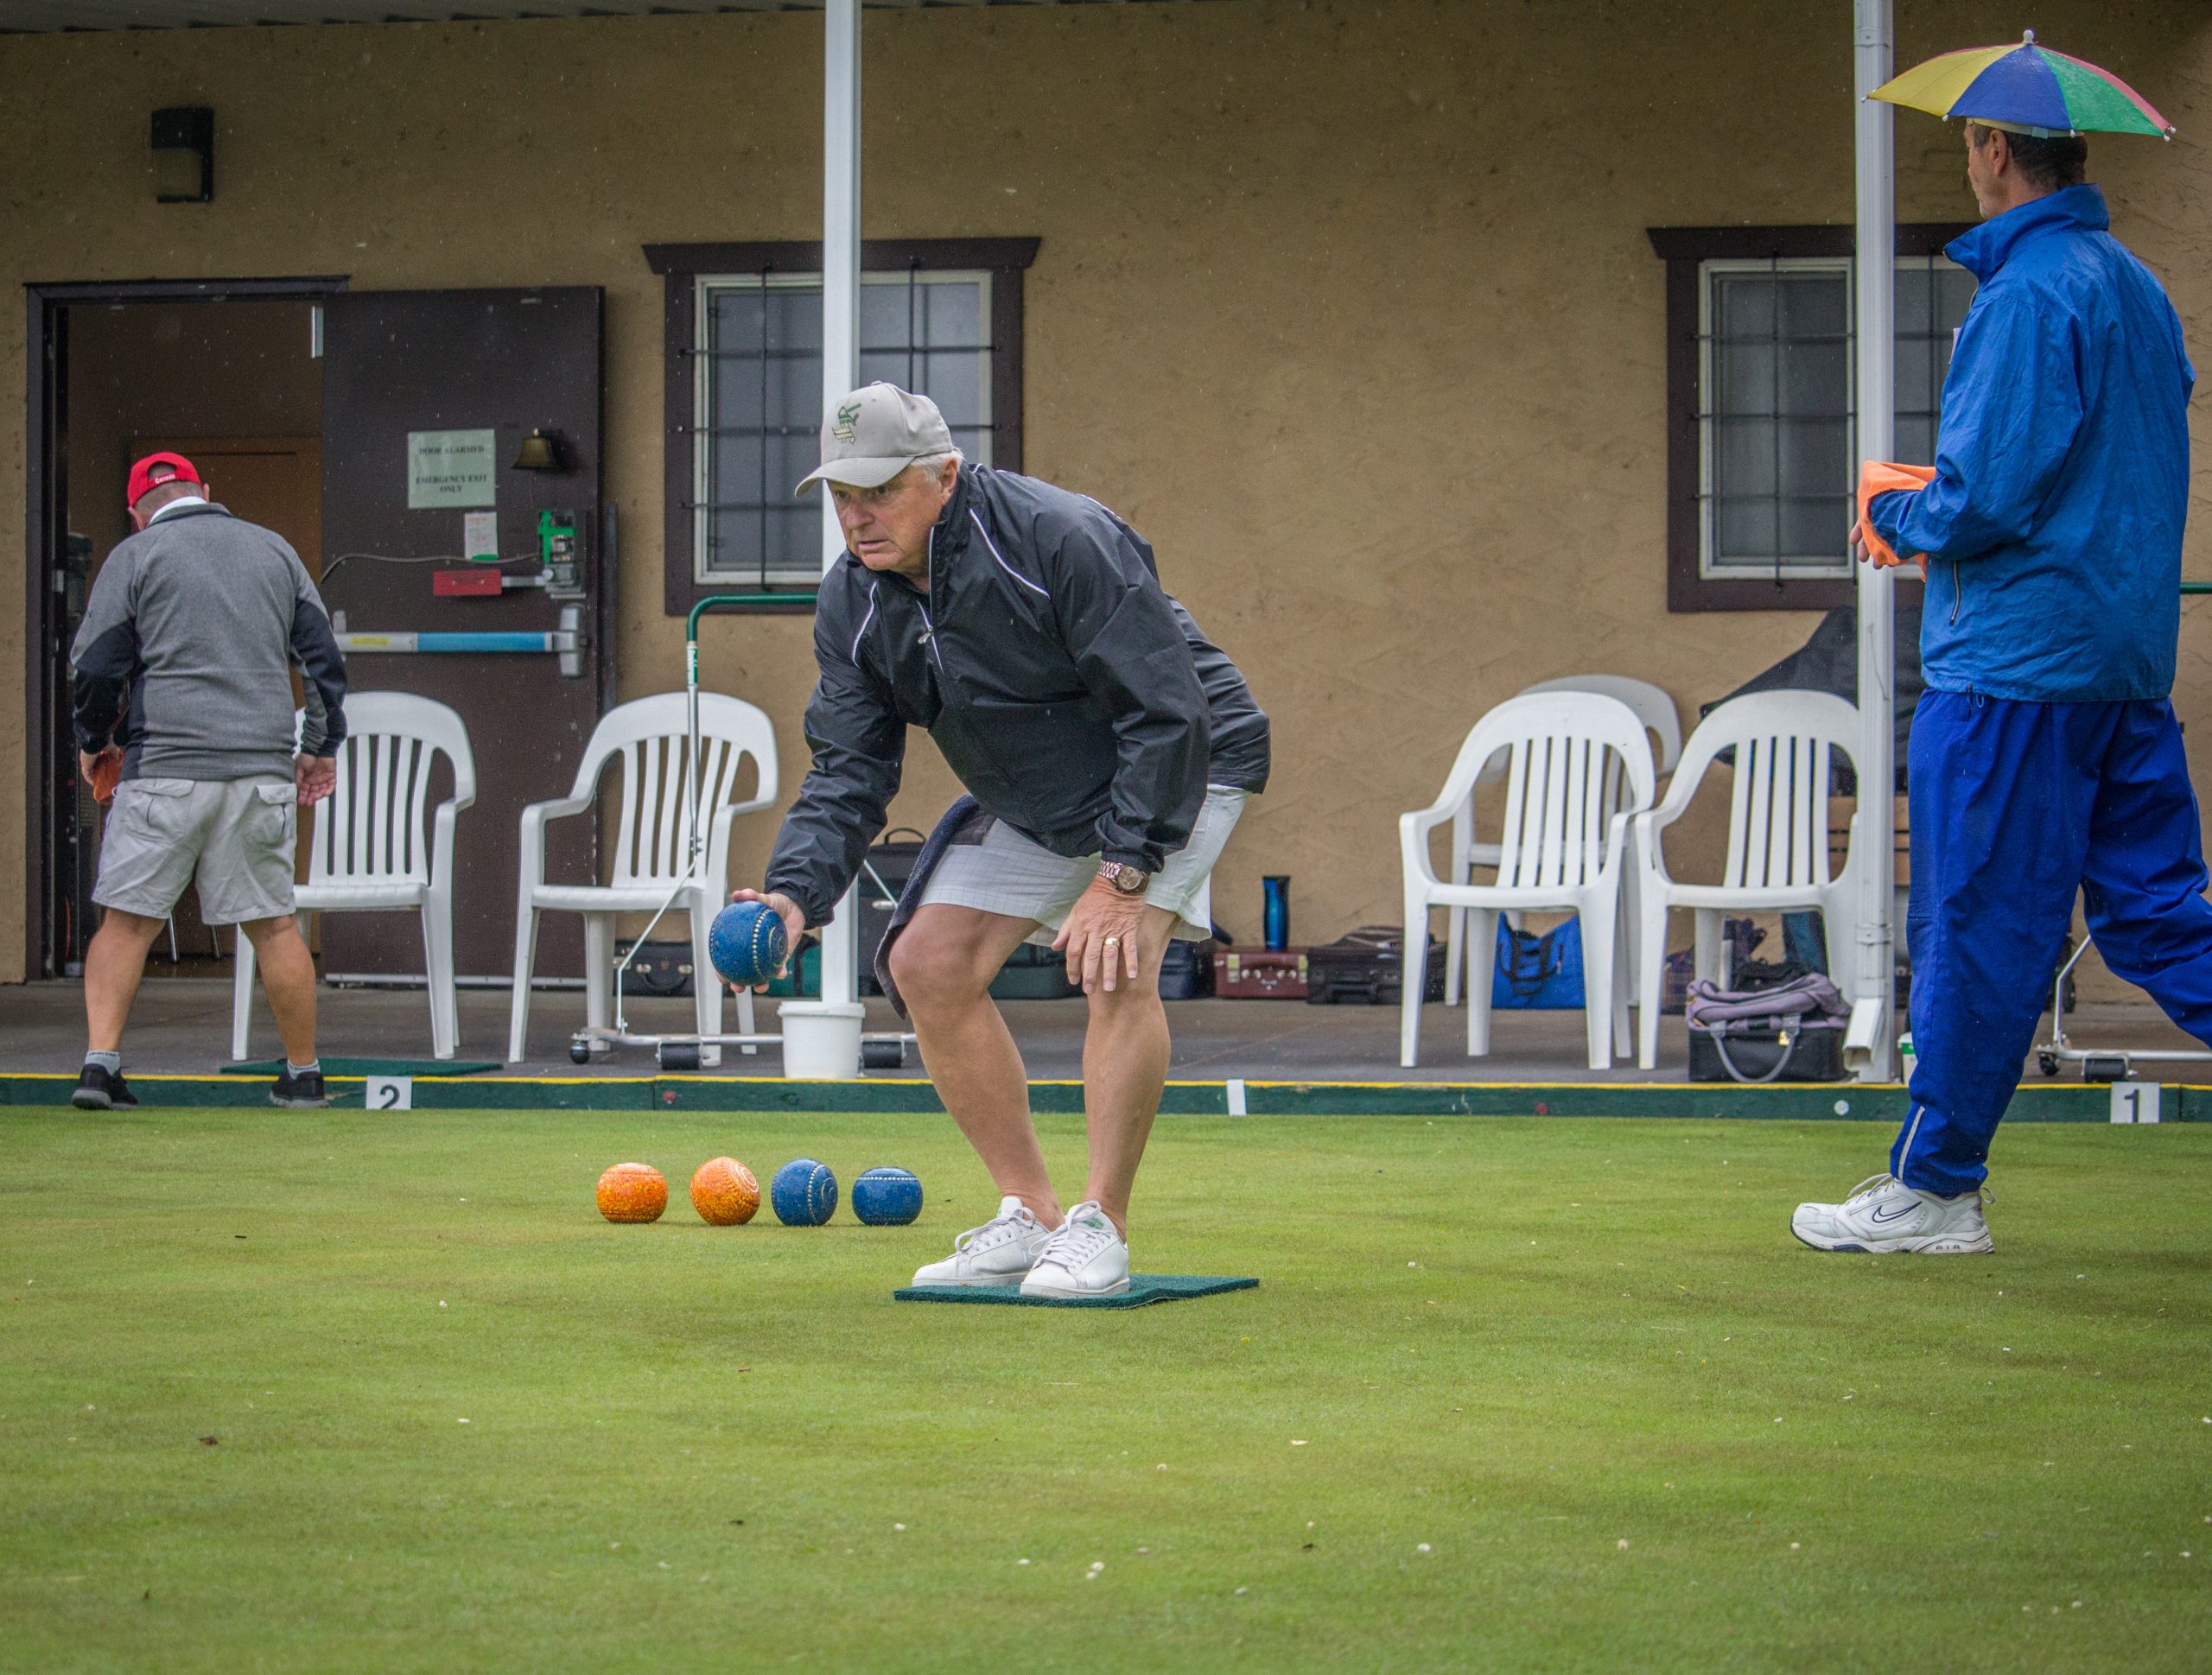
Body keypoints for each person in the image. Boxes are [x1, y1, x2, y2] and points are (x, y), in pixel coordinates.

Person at [735, 384, 1269, 1297]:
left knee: (1112, 956)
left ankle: (1101, 1224)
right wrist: (793, 895)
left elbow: (1163, 709)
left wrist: (1125, 873)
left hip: (1182, 758)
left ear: (945, 475)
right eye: (840, 496)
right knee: (928, 964)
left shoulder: (1060, 539)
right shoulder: (852, 603)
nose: (858, 517)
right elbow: (848, 768)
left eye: (881, 490)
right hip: (1039, 792)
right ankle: (1031, 1213)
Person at [1794, 120, 2196, 1253]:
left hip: (2015, 669)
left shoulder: (2025, 295)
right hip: (2122, 663)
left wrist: (1893, 511)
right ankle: (1935, 1181)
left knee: (1977, 927)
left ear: (1990, 147)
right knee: (2163, 917)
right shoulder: (2140, 289)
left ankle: (1936, 1188)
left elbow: (1984, 499)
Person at [70, 452, 349, 1112]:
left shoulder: (135, 557)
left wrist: (94, 742)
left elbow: (98, 666)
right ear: (207, 492)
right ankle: (304, 1074)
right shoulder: (274, 551)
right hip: (256, 772)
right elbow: (323, 661)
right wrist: (317, 746)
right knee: (275, 927)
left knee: (127, 922)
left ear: (137, 512)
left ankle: (99, 1067)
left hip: (162, 771)